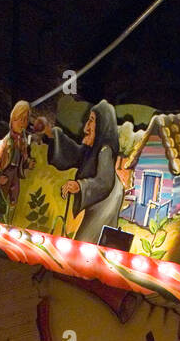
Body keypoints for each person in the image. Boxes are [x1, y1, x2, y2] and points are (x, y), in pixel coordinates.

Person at [47, 99, 125, 244]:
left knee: (88, 241)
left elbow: (104, 182)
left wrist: (80, 186)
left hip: (106, 202)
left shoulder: (105, 150)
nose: (86, 128)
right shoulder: (92, 150)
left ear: (102, 125)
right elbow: (75, 153)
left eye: (91, 121)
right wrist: (53, 135)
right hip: (101, 200)